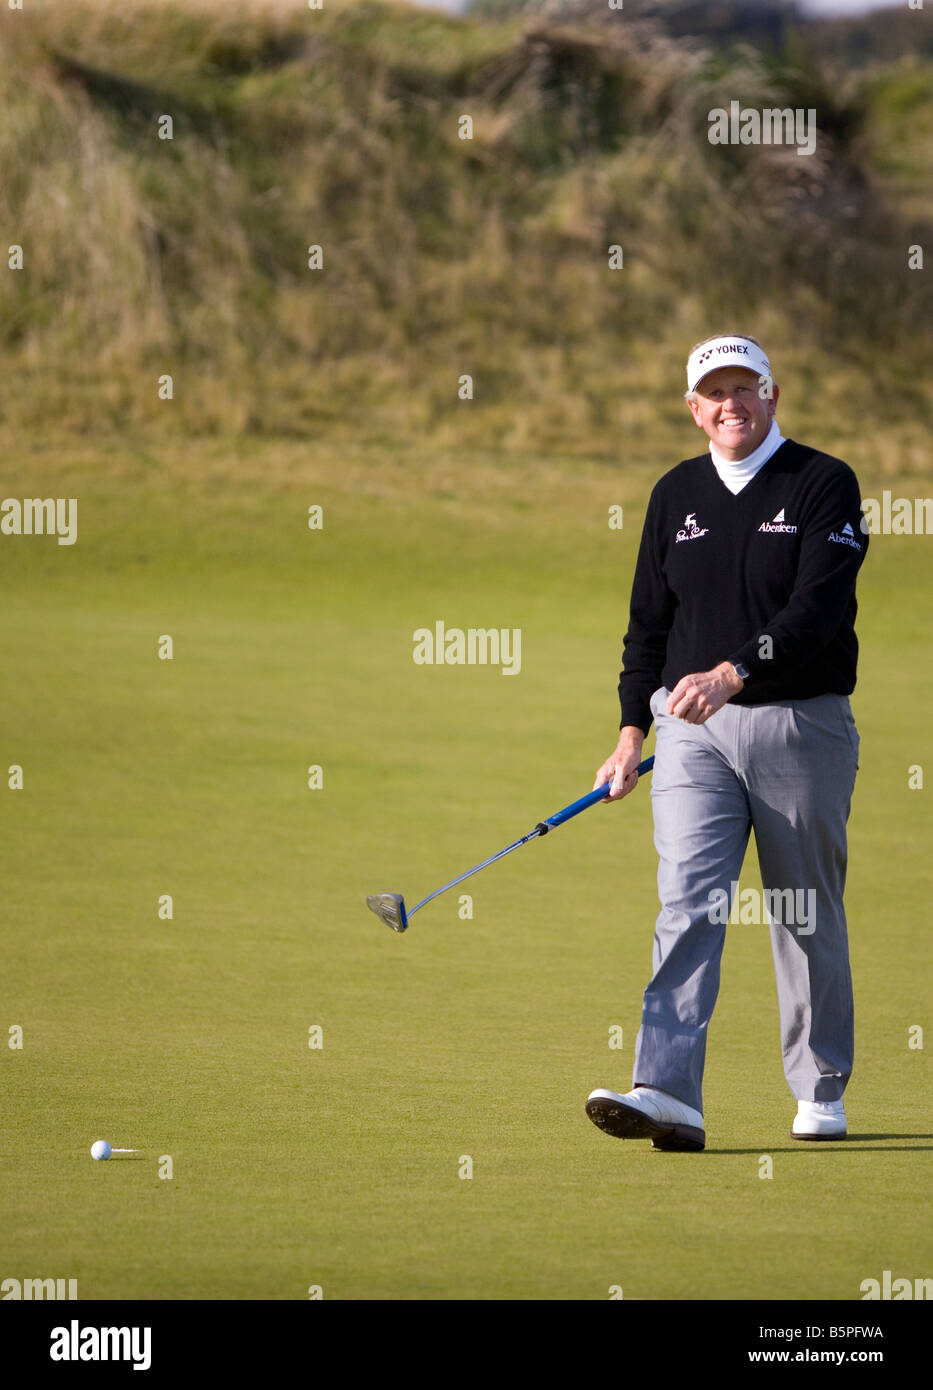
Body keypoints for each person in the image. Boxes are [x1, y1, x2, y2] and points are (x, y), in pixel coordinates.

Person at [585, 333, 868, 1152]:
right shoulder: (673, 493)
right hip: (687, 735)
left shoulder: (821, 483)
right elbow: (648, 623)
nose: (730, 404)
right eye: (714, 393)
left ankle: (819, 1086)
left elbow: (816, 610)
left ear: (772, 396)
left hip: (798, 725)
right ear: (693, 408)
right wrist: (630, 728)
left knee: (800, 908)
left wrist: (731, 675)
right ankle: (667, 1091)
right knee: (686, 903)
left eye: (746, 389)